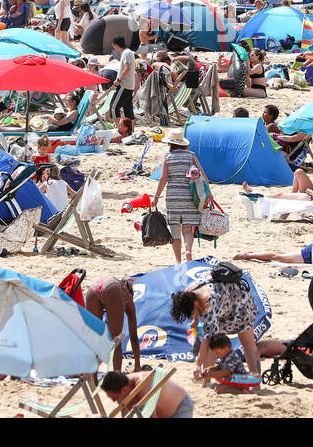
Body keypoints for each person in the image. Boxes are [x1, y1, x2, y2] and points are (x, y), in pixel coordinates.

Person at [171, 276, 262, 377]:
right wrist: (195, 320)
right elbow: (195, 307)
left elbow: (207, 339)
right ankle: (207, 380)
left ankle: (256, 380)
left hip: (242, 304)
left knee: (248, 344)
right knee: (214, 342)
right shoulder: (188, 292)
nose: (192, 314)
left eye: (191, 312)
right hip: (225, 301)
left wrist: (197, 364)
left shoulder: (208, 304)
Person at [153, 128, 207, 263]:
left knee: (175, 229)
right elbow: (202, 174)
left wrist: (156, 197)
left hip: (173, 197)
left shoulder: (167, 156)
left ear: (170, 143)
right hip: (190, 196)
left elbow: (163, 178)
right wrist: (208, 193)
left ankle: (178, 260)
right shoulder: (191, 155)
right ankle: (188, 252)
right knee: (188, 229)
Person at [84, 276, 142, 373]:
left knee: (94, 337)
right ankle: (117, 376)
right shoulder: (128, 299)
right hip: (111, 288)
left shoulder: (121, 288)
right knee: (116, 340)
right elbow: (134, 336)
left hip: (93, 288)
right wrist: (137, 365)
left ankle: (93, 379)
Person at [101, 369, 194, 418]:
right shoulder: (122, 386)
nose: (114, 401)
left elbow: (150, 416)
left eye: (115, 398)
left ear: (124, 390)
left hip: (180, 408)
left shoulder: (143, 385)